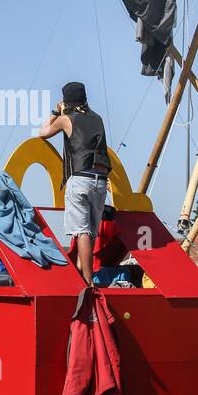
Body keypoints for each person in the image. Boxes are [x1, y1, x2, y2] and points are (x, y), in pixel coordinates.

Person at [37, 82, 112, 283]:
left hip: (80, 179)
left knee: (82, 232)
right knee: (91, 233)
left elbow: (42, 133)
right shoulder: (98, 119)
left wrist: (55, 111)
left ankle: (87, 282)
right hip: (101, 181)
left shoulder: (65, 119)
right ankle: (81, 270)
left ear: (66, 101)